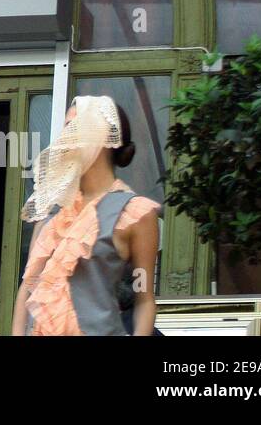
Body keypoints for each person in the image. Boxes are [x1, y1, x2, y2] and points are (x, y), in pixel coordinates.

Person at [12, 95, 162, 336]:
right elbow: (27, 289)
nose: (63, 138)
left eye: (72, 127)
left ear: (100, 134)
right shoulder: (53, 219)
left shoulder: (135, 213)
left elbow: (144, 297)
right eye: (65, 128)